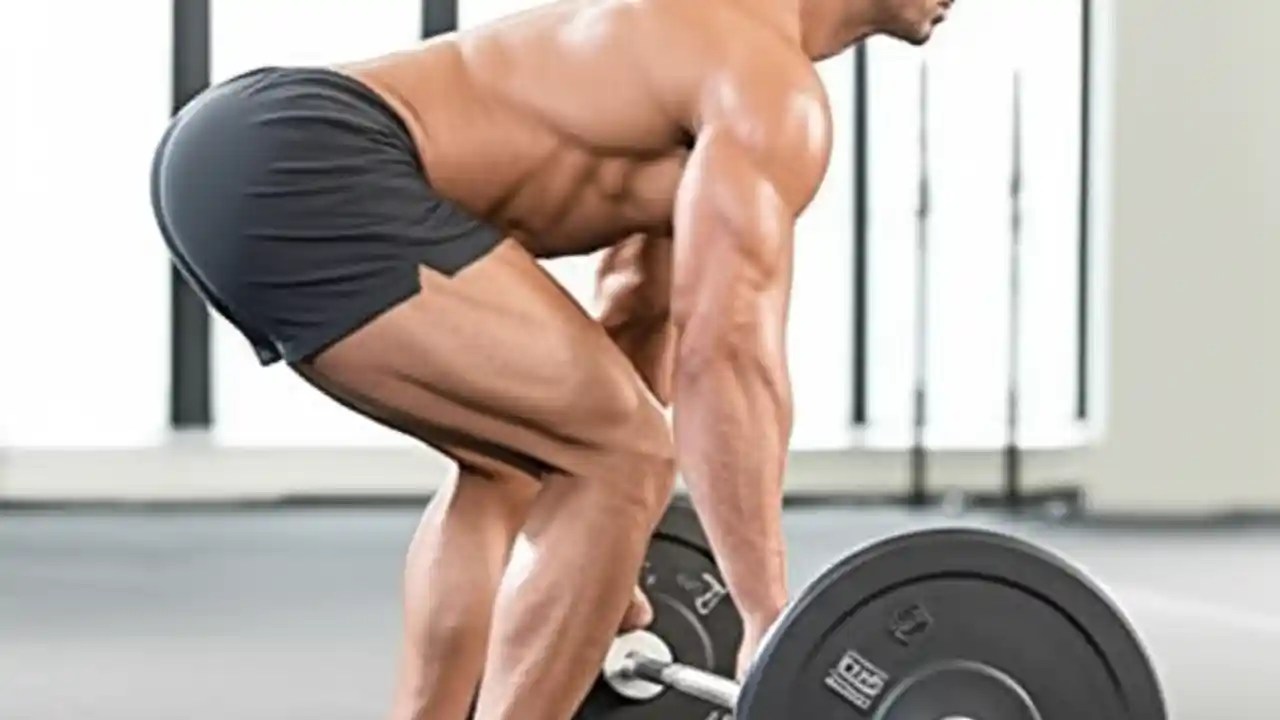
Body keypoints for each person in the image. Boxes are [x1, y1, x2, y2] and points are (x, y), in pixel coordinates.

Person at [149, 0, 952, 717]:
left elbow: (637, 314)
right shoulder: (767, 88)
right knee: (622, 453)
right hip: (315, 156)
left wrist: (603, 552)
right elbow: (729, 358)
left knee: (522, 466)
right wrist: (767, 618)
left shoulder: (701, 44)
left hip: (240, 146)